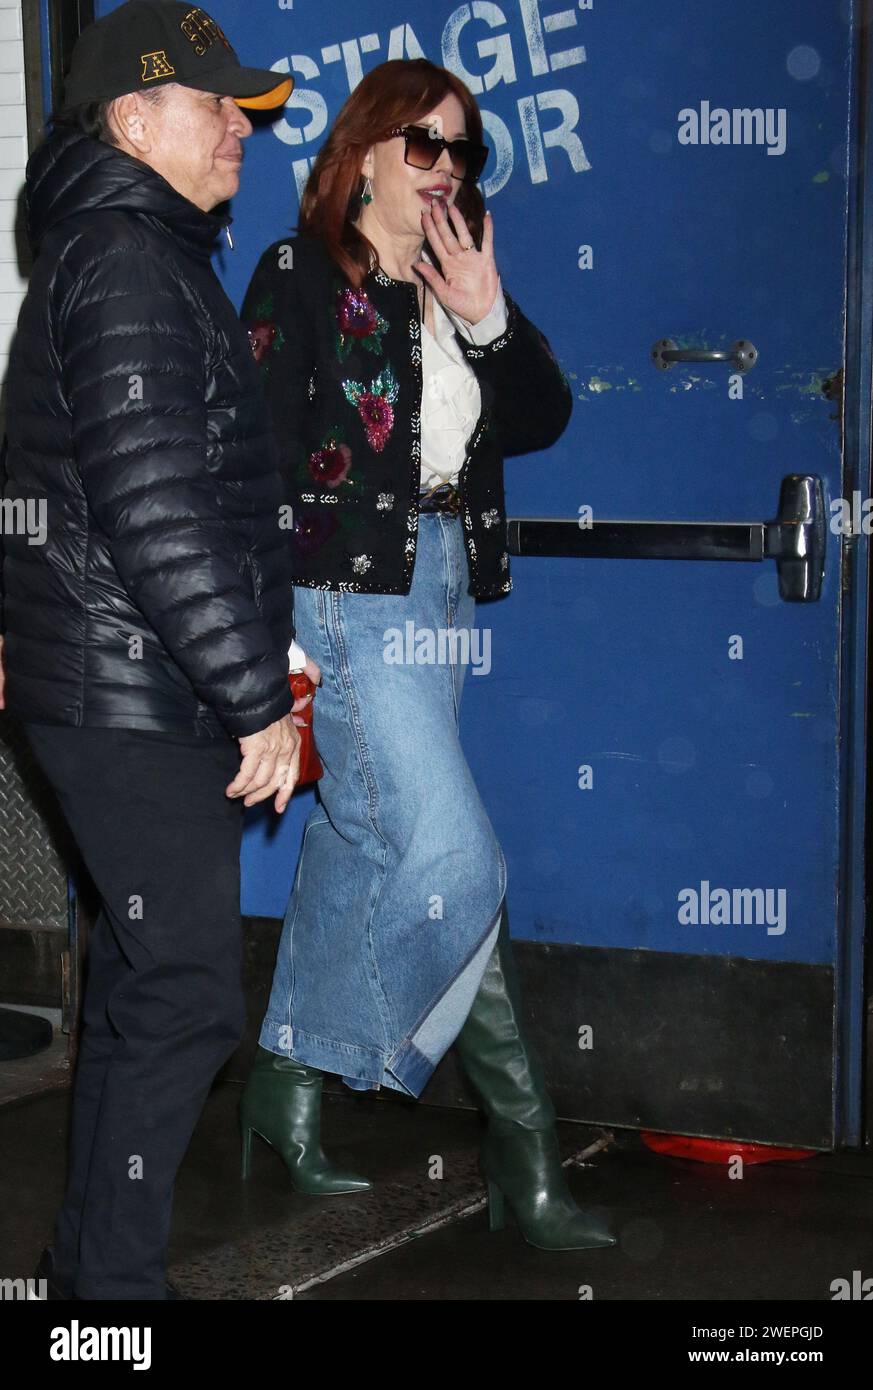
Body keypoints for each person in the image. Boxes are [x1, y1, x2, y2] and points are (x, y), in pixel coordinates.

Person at [239, 57, 616, 1251]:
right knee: (451, 850)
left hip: (445, 584)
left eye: (466, 152)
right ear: (365, 152)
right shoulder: (301, 276)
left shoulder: (460, 279)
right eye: (425, 145)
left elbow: (546, 414)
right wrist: (262, 637)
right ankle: (526, 1153)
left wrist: (488, 314)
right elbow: (253, 457)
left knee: (363, 839)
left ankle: (283, 1095)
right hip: (345, 594)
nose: (449, 168)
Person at [0, 1, 304, 1300]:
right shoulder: (127, 258)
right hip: (130, 696)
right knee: (183, 994)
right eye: (212, 101)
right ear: (133, 119)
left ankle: (98, 1286)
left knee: (145, 987)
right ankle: (105, 1304)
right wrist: (255, 695)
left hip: (119, 686)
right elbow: (154, 504)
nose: (237, 122)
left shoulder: (134, 250)